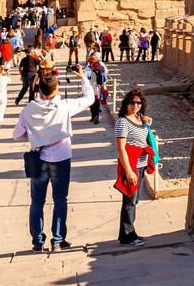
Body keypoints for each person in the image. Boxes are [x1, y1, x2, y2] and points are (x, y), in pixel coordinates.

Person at [13, 73, 96, 252]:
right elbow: (89, 98)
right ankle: (57, 240)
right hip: (61, 158)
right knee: (60, 200)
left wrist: (37, 135)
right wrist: (83, 78)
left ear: (39, 89)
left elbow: (17, 135)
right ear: (57, 87)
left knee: (37, 202)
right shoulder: (65, 106)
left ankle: (37, 242)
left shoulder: (29, 109)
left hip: (38, 159)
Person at [114, 88, 156, 247]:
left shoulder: (139, 119)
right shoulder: (122, 121)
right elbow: (121, 149)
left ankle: (126, 234)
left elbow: (144, 138)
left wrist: (147, 123)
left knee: (134, 200)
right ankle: (128, 236)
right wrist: (129, 171)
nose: (136, 105)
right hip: (131, 166)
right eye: (132, 102)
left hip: (142, 164)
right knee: (130, 201)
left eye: (139, 103)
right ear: (126, 104)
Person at [83, 53, 108, 123]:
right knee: (97, 102)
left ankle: (93, 116)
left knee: (91, 103)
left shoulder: (88, 68)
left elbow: (85, 78)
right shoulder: (101, 67)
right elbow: (105, 77)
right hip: (98, 88)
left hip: (90, 88)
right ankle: (96, 115)